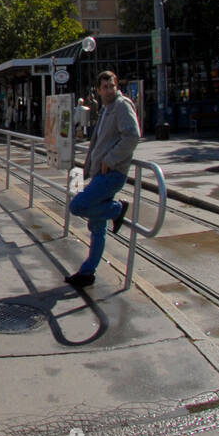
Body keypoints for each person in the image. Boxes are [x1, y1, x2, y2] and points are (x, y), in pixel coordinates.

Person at [66, 71, 140, 288]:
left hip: (112, 174)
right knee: (98, 228)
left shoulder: (122, 105)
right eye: (104, 87)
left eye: (112, 86)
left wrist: (110, 158)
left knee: (77, 206)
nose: (108, 90)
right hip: (102, 173)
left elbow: (133, 135)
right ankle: (87, 273)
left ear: (117, 87)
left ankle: (117, 210)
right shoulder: (106, 109)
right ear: (98, 90)